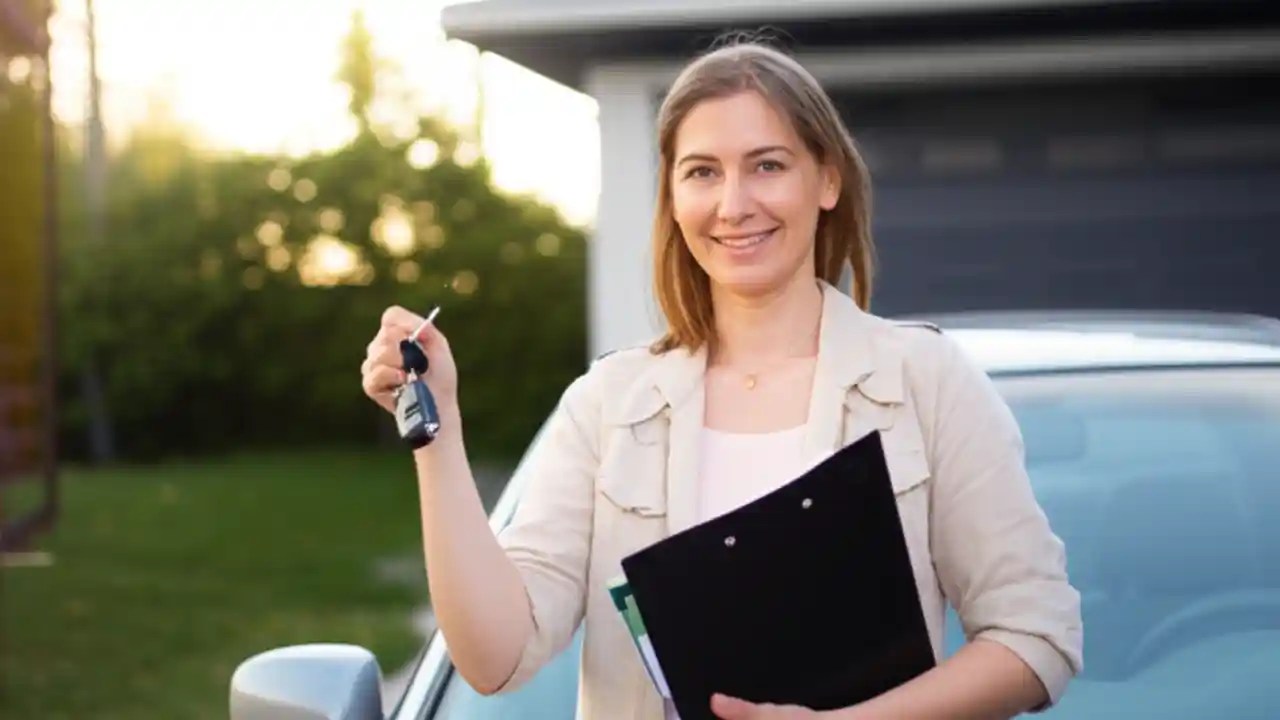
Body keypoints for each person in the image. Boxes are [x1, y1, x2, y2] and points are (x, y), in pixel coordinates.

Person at [361, 38, 1083, 720]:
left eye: (767, 165)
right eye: (702, 171)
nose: (734, 204)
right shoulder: (605, 408)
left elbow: (1035, 637)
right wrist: (439, 433)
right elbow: (494, 658)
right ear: (673, 197)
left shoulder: (926, 383)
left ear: (827, 180)